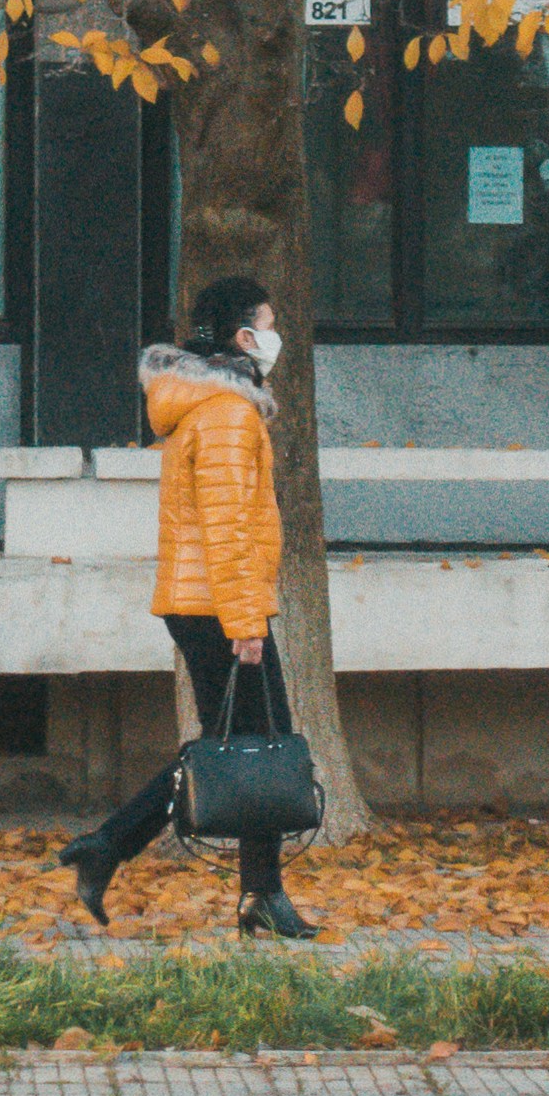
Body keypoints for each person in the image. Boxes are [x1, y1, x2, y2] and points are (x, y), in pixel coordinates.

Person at [52, 273, 320, 941]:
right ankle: (125, 848)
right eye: (268, 321)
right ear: (243, 336)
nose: (276, 333)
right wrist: (246, 624)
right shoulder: (228, 414)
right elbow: (228, 529)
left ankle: (241, 886)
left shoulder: (207, 404)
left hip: (205, 602)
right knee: (258, 745)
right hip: (219, 606)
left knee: (250, 743)